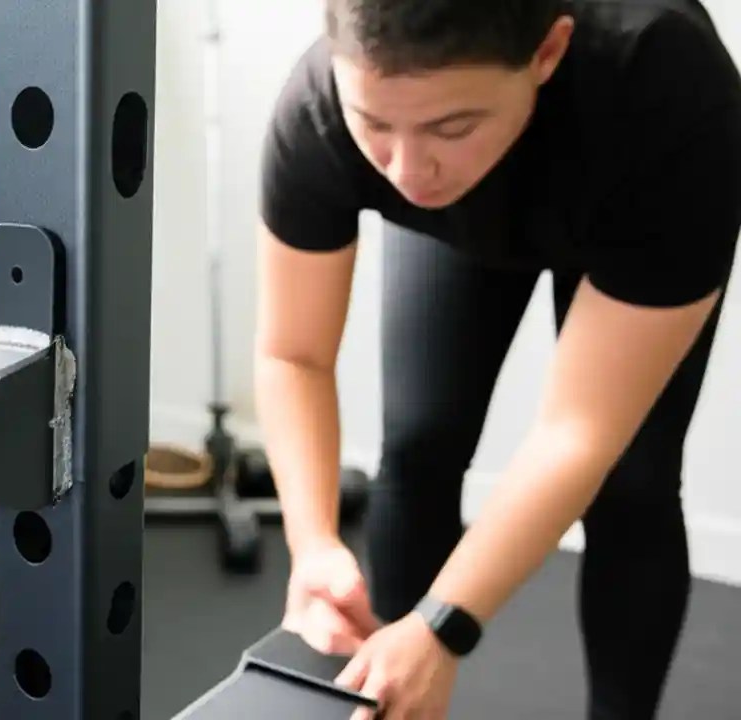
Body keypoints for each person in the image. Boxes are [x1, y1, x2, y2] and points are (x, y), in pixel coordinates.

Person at [255, 1, 741, 718]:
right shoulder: (322, 110)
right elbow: (293, 354)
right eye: (377, 126)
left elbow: (577, 429)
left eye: (451, 127)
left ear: (547, 53)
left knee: (631, 483)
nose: (406, 170)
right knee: (420, 445)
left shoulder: (670, 88)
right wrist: (315, 545)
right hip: (466, 224)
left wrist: (445, 625)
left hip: (633, 183)